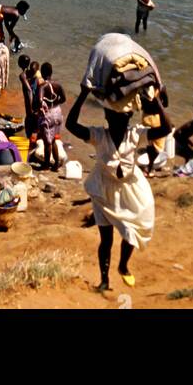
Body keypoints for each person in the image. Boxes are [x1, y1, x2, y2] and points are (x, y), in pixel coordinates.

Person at [66, 84, 154, 291]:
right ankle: (104, 280)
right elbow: (70, 124)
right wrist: (83, 94)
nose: (118, 122)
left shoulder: (135, 134)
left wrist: (153, 99)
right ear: (107, 117)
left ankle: (123, 265)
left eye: (122, 119)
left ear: (128, 118)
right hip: (103, 191)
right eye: (114, 118)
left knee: (132, 231)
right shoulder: (99, 135)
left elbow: (166, 129)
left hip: (128, 189)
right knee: (106, 240)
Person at [34, 62, 66, 170]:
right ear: (51, 72)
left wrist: (44, 105)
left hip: (48, 114)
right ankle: (56, 164)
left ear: (42, 73)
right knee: (52, 140)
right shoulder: (58, 85)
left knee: (47, 141)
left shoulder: (43, 86)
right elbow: (64, 99)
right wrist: (55, 102)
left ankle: (46, 165)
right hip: (57, 112)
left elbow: (39, 100)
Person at [140, 85, 172, 176]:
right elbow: (166, 104)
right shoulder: (161, 88)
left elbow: (140, 106)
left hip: (146, 118)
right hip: (157, 118)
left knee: (150, 143)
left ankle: (152, 166)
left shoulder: (142, 89)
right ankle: (150, 168)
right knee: (157, 146)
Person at [18, 55, 42, 149]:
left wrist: (30, 107)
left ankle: (31, 148)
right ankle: (37, 147)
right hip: (37, 103)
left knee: (29, 125)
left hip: (30, 103)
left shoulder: (23, 75)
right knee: (37, 127)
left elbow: (29, 91)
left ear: (19, 64)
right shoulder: (36, 74)